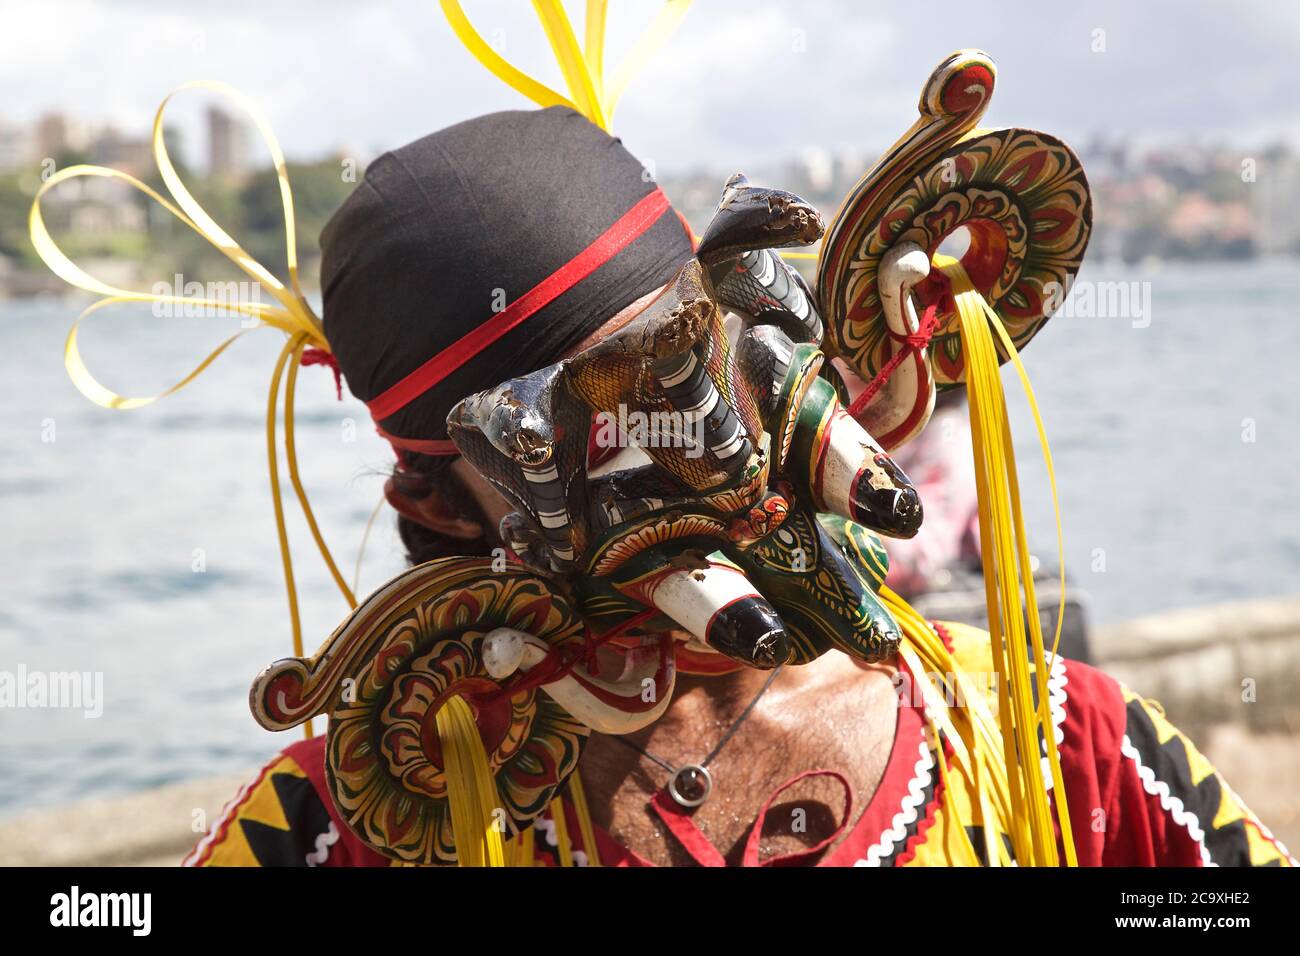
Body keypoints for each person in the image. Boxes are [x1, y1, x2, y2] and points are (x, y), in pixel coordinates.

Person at [182, 107, 1293, 868]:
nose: (692, 448)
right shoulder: (345, 823)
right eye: (594, 430)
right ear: (439, 506)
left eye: (699, 355)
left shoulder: (1050, 740)